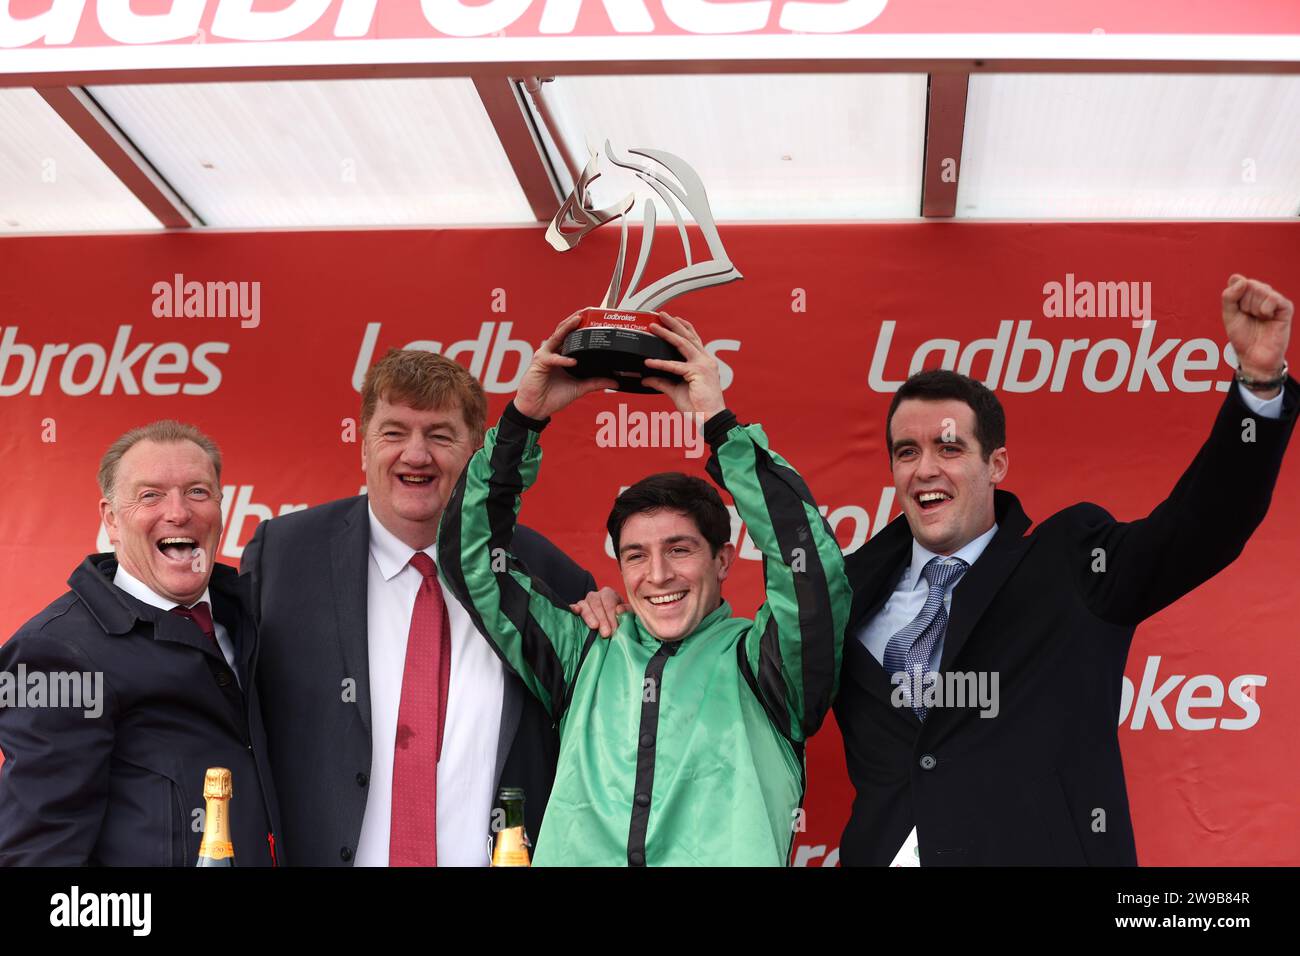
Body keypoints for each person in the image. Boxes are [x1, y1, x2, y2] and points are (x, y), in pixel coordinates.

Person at [833, 273, 1296, 865]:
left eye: (949, 449)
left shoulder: (1069, 562)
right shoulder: (847, 590)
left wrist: (1258, 390)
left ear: (995, 463)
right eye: (906, 452)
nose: (925, 469)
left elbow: (1201, 529)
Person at [438, 312, 850, 866]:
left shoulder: (769, 669)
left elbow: (812, 572)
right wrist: (524, 419)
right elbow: (471, 560)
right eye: (636, 555)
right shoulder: (582, 652)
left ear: (723, 559)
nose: (657, 575)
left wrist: (721, 426)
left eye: (680, 549)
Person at [242, 349, 595, 866]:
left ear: (478, 450)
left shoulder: (551, 576)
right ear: (363, 446)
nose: (416, 455)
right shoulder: (284, 557)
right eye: (394, 432)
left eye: (439, 434)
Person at [0, 420, 281, 866]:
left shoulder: (262, 616)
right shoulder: (53, 656)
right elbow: (38, 856)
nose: (178, 513)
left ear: (221, 509)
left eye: (197, 492)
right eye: (150, 495)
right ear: (111, 519)